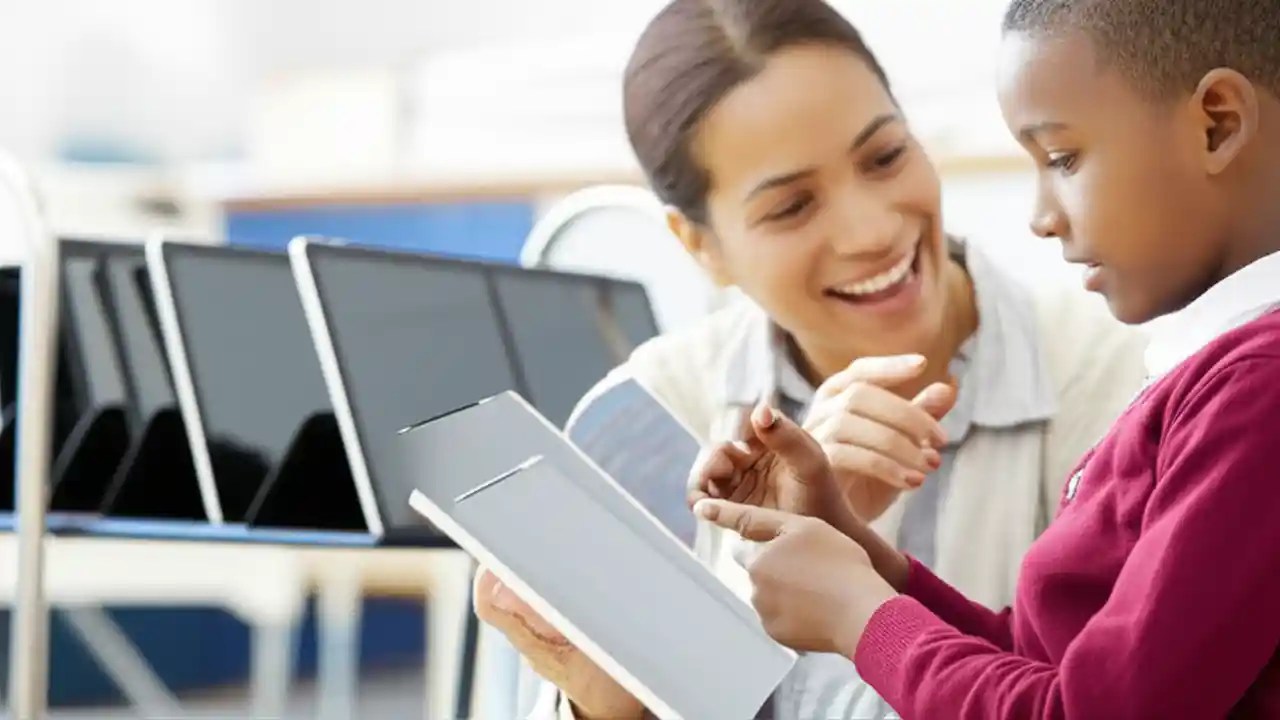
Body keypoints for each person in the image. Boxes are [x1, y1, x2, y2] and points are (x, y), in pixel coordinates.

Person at [476, 0, 1147, 718]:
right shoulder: (642, 416)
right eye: (792, 207)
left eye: (885, 157)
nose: (871, 230)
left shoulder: (1116, 371)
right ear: (701, 245)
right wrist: (615, 708)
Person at [693, 0, 1280, 717]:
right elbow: (1042, 665)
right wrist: (862, 559)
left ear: (1217, 122)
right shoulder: (1219, 374)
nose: (1041, 216)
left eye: (1063, 158)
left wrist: (860, 618)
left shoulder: (1259, 389)